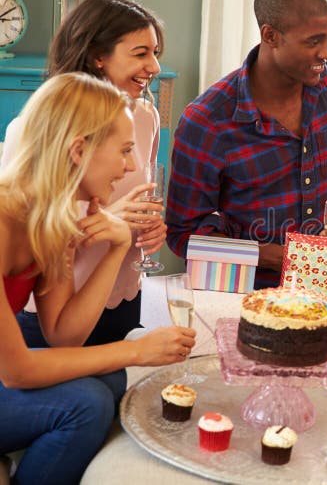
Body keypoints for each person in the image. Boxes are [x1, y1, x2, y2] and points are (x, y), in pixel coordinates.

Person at [0, 73, 194, 485]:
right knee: (87, 403)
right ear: (78, 150)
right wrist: (136, 351)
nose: (132, 166)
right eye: (124, 150)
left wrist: (118, 246)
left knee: (107, 379)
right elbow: (15, 371)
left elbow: (64, 336)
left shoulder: (48, 219)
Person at [166, 0, 327, 289]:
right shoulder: (207, 121)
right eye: (313, 41)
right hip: (246, 289)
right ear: (271, 36)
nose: (326, 53)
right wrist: (280, 257)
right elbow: (184, 235)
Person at [0, 0, 167, 348]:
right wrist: (110, 218)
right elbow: (27, 225)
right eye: (140, 53)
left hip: (123, 293)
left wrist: (148, 229)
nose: (153, 66)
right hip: (57, 306)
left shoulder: (146, 117)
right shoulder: (32, 129)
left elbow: (138, 193)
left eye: (155, 53)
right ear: (97, 56)